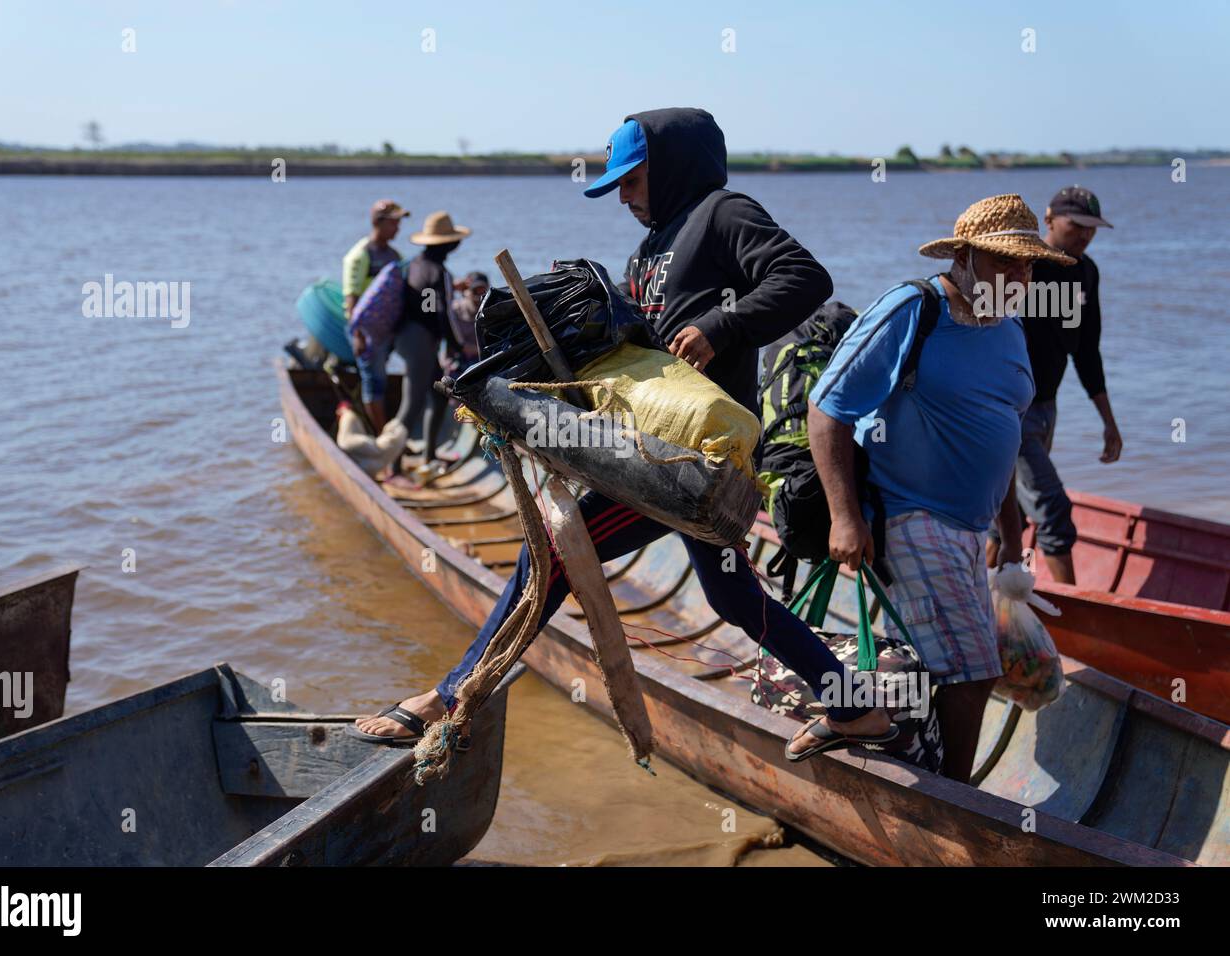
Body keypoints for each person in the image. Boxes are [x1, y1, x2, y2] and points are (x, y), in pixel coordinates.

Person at [353, 107, 897, 763]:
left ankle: (451, 696)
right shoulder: (650, 248)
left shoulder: (724, 213)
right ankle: (854, 705)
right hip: (651, 448)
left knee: (551, 554)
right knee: (730, 596)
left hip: (696, 458)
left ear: (668, 168)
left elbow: (805, 278)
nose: (624, 199)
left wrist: (721, 328)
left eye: (631, 182)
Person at [807, 193, 1076, 781]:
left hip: (969, 529)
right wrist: (844, 518)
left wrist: (1008, 534)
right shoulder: (913, 309)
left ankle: (906, 762)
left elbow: (1001, 436)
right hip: (908, 515)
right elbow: (828, 411)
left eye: (1029, 265)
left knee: (937, 664)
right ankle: (958, 799)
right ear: (963, 257)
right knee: (975, 667)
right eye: (1007, 263)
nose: (1021, 277)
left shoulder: (1007, 330)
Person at [986, 186, 1121, 584]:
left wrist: (1108, 422)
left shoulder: (1086, 273)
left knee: (1011, 511)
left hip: (1046, 409)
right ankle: (1074, 622)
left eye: (1092, 228)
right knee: (1053, 511)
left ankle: (984, 594)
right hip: (1011, 413)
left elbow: (1087, 351)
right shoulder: (1023, 269)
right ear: (1048, 220)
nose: (1084, 235)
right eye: (1076, 225)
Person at [390, 211, 470, 487]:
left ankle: (428, 457)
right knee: (410, 406)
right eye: (455, 241)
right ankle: (394, 468)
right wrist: (459, 346)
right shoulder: (441, 273)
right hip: (420, 342)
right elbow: (446, 315)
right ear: (448, 245)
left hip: (407, 338)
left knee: (436, 398)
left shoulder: (415, 264)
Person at [344, 199, 409, 433]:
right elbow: (352, 298)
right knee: (374, 383)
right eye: (393, 223)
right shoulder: (360, 255)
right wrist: (358, 335)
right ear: (378, 223)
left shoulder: (394, 254)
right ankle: (382, 437)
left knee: (381, 377)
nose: (398, 229)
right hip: (366, 331)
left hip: (386, 330)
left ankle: (386, 428)